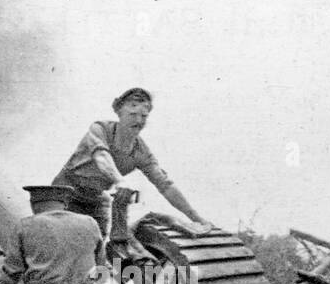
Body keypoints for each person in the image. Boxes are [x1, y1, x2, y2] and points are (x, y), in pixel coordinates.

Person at [52, 87, 213, 256]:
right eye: (132, 114)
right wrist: (119, 180)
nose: (138, 121)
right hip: (65, 192)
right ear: (120, 113)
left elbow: (165, 186)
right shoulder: (101, 129)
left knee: (94, 251)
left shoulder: (141, 151)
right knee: (62, 247)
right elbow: (101, 156)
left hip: (96, 198)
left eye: (144, 116)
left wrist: (197, 218)